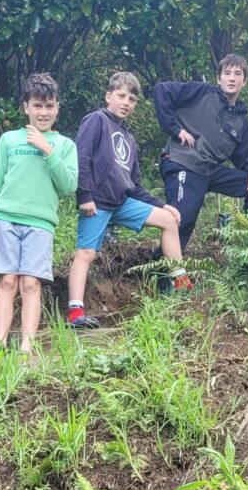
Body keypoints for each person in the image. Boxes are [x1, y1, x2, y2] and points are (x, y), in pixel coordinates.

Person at [67, 71, 183, 329]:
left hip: (121, 202)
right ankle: (75, 312)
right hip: (96, 201)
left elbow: (135, 186)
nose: (126, 102)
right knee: (85, 253)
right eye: (121, 95)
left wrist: (161, 204)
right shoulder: (97, 120)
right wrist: (84, 195)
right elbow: (81, 157)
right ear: (109, 96)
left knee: (169, 221)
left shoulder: (129, 139)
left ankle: (182, 284)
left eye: (132, 99)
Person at [0, 72, 78, 355]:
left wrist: (48, 150)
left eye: (49, 106)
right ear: (26, 107)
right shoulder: (9, 140)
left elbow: (69, 186)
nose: (43, 112)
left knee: (31, 283)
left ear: (57, 107)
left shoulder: (65, 145)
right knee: (7, 281)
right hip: (5, 219)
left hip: (41, 224)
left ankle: (26, 348)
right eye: (37, 105)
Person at [151, 54, 248, 263]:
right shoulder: (202, 92)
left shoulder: (240, 120)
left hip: (210, 171)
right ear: (219, 78)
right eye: (227, 73)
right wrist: (175, 130)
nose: (231, 78)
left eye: (237, 74)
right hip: (182, 162)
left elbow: (247, 156)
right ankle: (162, 270)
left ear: (244, 81)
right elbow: (161, 91)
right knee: (182, 218)